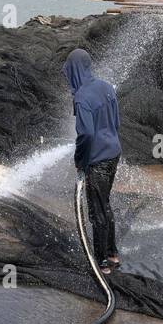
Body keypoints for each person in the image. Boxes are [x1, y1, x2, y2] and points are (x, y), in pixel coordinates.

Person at [63, 48, 122, 276]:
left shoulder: (82, 97)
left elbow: (86, 135)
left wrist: (80, 160)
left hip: (97, 160)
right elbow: (116, 122)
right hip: (113, 153)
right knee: (105, 205)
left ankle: (102, 262)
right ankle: (113, 253)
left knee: (97, 211)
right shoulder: (107, 87)